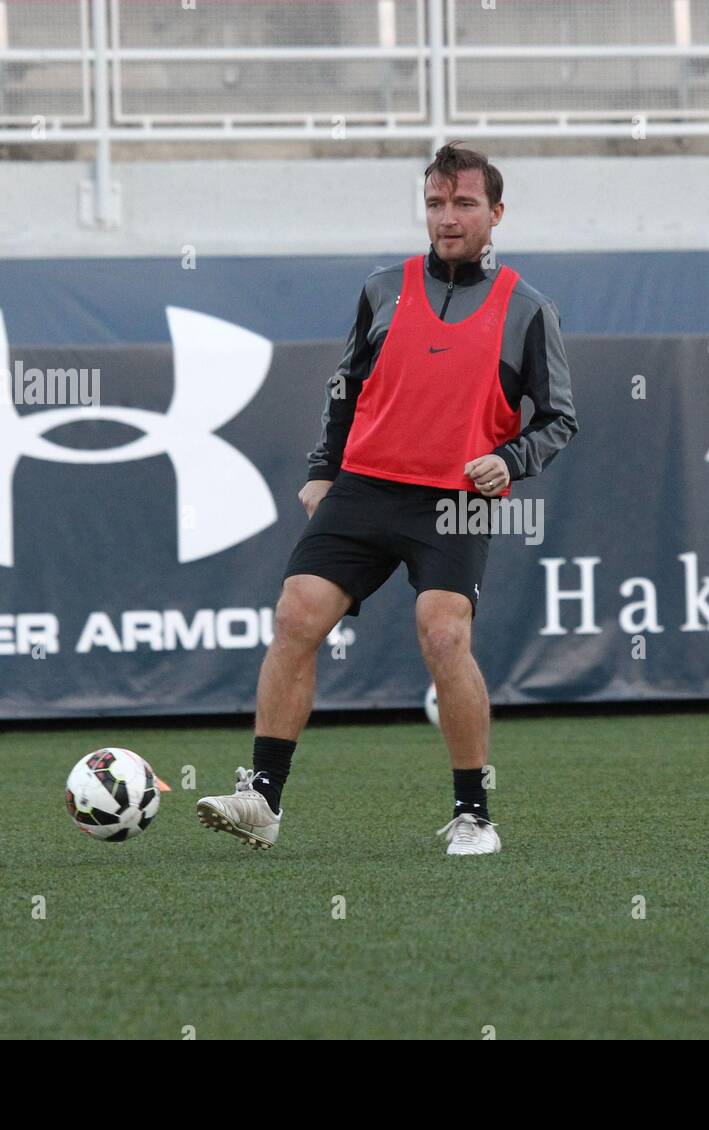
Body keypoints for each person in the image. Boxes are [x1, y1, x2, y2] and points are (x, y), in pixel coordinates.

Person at [198, 142, 577, 856]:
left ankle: (474, 815)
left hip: (452, 498)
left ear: (496, 213)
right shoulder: (383, 287)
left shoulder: (528, 308)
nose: (447, 217)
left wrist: (509, 459)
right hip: (366, 485)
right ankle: (263, 801)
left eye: (464, 203)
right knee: (295, 615)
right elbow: (345, 385)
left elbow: (559, 418)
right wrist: (322, 469)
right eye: (435, 204)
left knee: (443, 634)